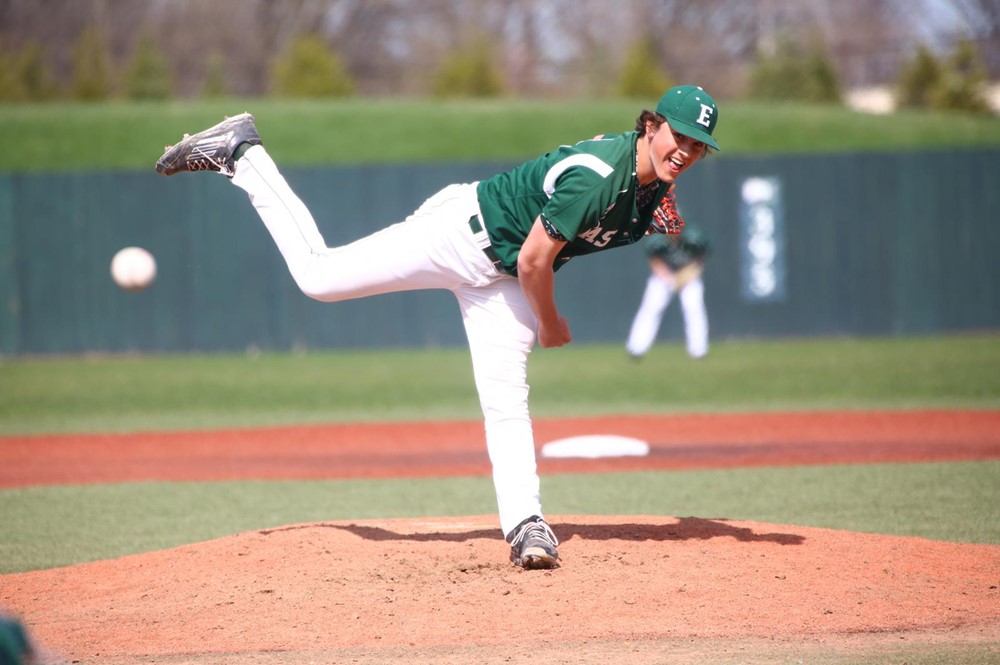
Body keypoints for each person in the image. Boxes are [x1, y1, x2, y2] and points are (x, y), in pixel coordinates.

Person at [156, 84, 720, 569]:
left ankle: (526, 525)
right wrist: (548, 322)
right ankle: (243, 153)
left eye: (699, 145)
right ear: (651, 125)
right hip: (460, 236)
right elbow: (533, 260)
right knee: (318, 277)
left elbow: (595, 195)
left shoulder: (641, 183)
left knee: (507, 397)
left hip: (494, 274)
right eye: (680, 136)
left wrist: (645, 208)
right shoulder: (603, 179)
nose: (687, 151)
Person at [625, 224, 711, 360]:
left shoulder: (694, 239)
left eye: (677, 228)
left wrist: (687, 275)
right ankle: (636, 348)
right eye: (670, 228)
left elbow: (700, 259)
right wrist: (669, 279)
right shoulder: (658, 241)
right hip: (664, 276)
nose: (674, 232)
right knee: (651, 307)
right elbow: (655, 261)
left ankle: (698, 350)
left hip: (688, 276)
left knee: (694, 308)